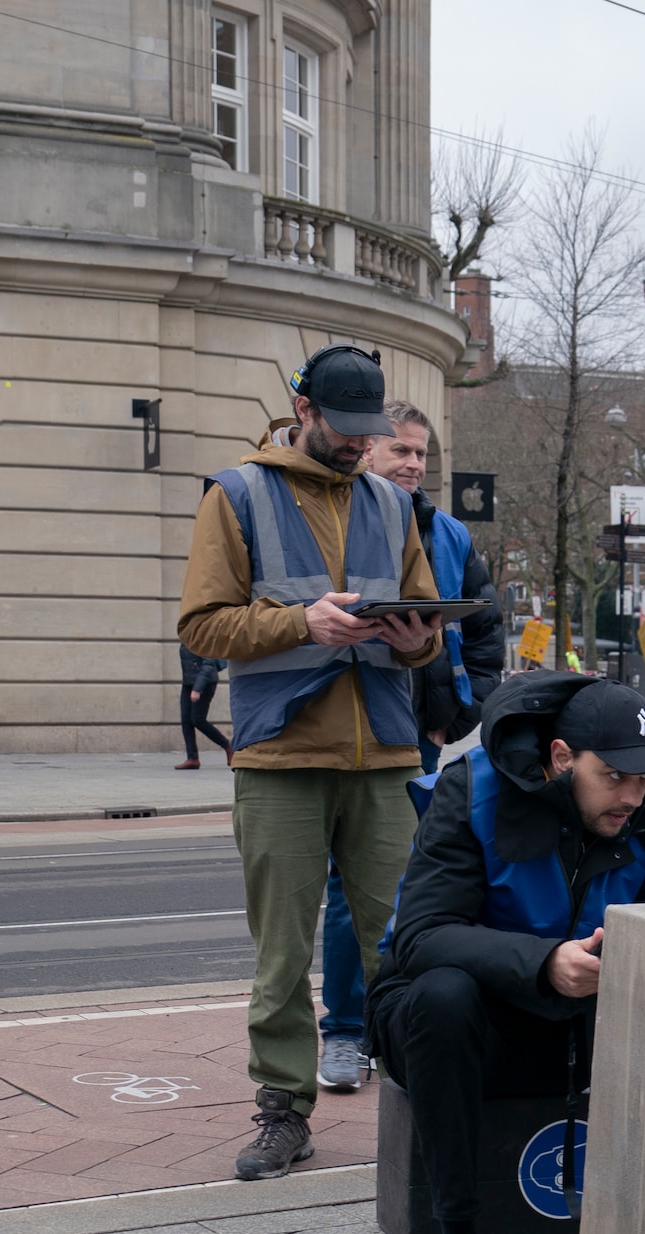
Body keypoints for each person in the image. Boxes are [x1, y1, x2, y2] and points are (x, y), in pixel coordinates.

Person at [370, 674, 645, 1234]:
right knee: (443, 993)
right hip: (457, 1022)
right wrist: (545, 963)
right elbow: (422, 936)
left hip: (568, 1025)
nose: (633, 796)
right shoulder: (472, 791)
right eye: (614, 777)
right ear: (559, 758)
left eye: (644, 778)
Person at [180, 343, 445, 1181]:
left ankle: (428, 1111)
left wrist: (417, 638)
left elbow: (426, 623)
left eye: (372, 432)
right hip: (281, 753)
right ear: (305, 412)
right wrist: (304, 624)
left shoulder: (393, 504)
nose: (361, 447)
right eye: (346, 429)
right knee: (283, 953)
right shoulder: (237, 494)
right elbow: (202, 626)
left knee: (406, 946)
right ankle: (283, 1113)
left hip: (386, 754)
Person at [309, 402, 508, 1094]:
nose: (414, 464)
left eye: (422, 454)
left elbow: (483, 631)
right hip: (337, 729)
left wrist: (455, 719)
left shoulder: (446, 534)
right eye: (401, 451)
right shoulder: (337, 523)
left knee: (408, 886)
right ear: (366, 450)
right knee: (347, 887)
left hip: (416, 737)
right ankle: (343, 1030)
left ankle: (394, 1027)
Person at [177, 643, 229, 769]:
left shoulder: (202, 635)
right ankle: (193, 758)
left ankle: (227, 745)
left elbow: (209, 664)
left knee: (198, 720)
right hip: (189, 682)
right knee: (186, 720)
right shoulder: (187, 635)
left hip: (205, 682)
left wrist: (197, 688)